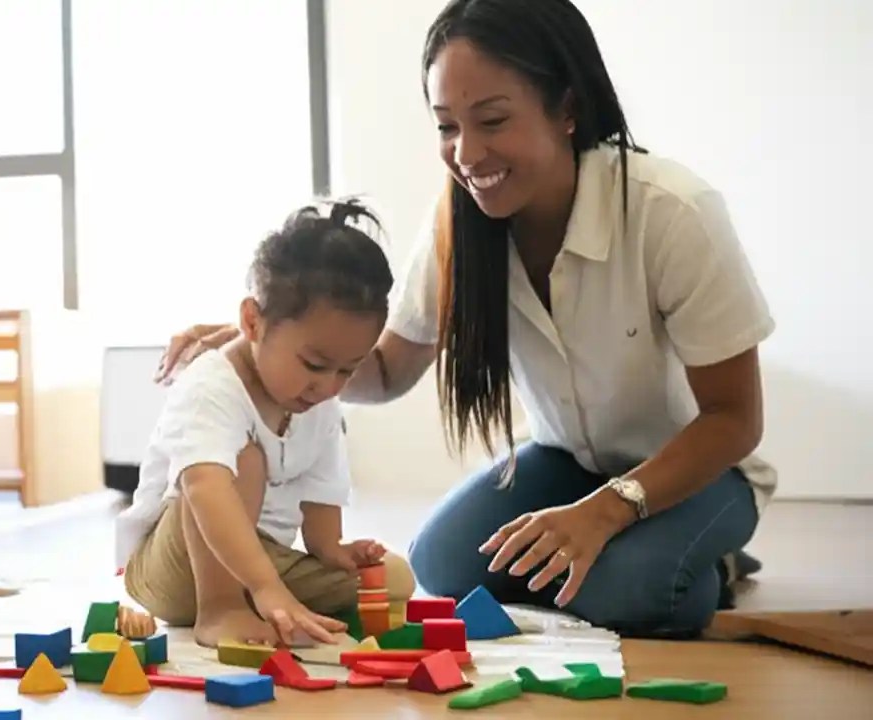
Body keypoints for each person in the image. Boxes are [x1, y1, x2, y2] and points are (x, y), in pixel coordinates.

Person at [154, 0, 774, 640]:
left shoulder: (672, 212)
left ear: (566, 109)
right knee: (442, 563)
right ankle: (640, 559)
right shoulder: (460, 222)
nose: (466, 152)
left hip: (697, 469)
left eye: (493, 121)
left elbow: (735, 419)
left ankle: (702, 559)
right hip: (569, 461)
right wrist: (270, 349)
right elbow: (389, 368)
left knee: (639, 591)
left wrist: (606, 511)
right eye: (447, 126)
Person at [117, 198, 416, 648]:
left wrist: (335, 553)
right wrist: (266, 587)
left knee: (394, 577)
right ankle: (222, 610)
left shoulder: (320, 405)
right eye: (315, 364)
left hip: (256, 559)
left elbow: (319, 520)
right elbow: (203, 486)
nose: (328, 386)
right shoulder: (212, 384)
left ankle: (260, 598)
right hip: (172, 567)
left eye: (347, 371)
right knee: (245, 461)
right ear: (252, 322)